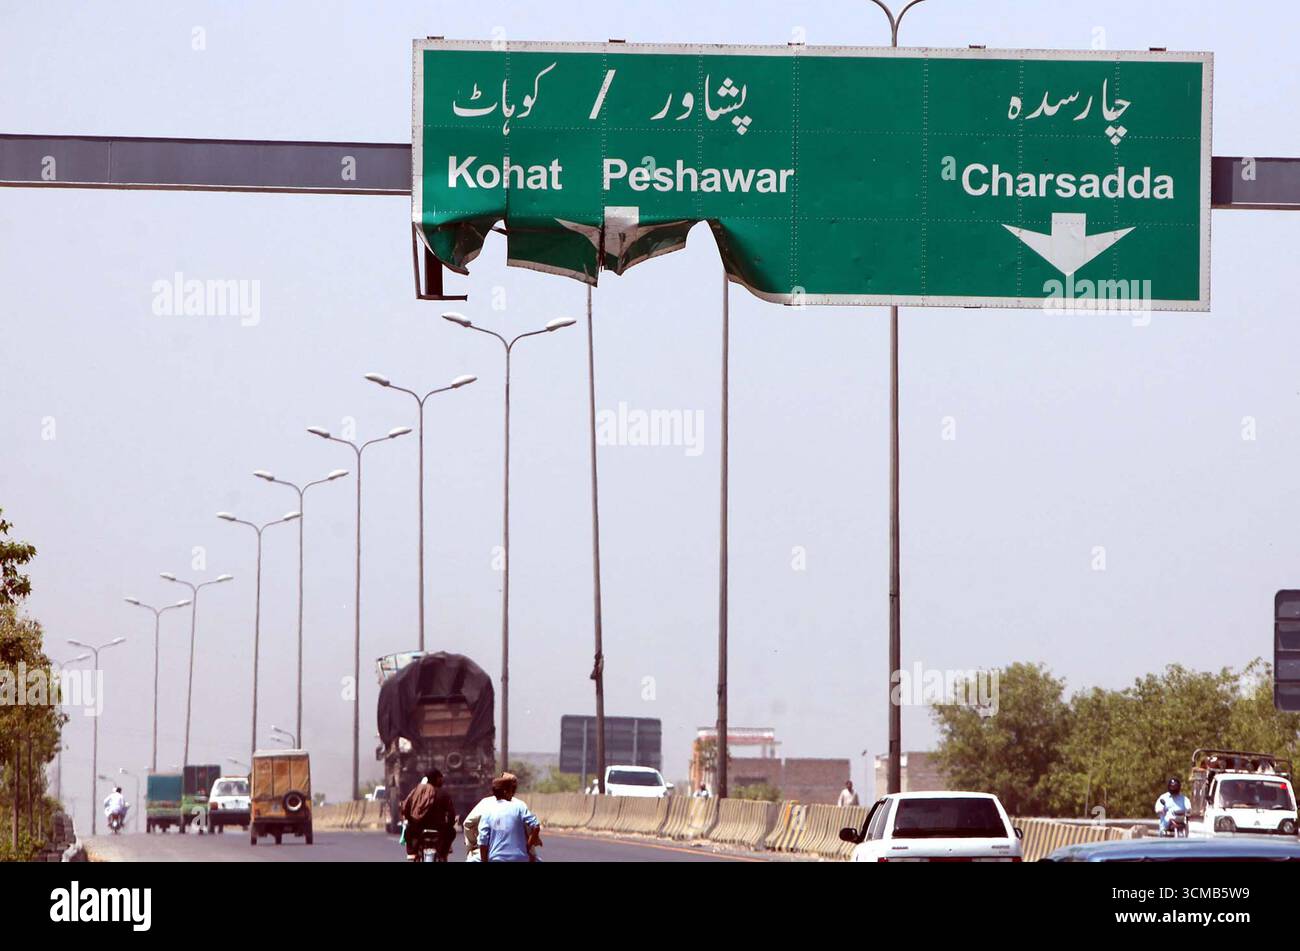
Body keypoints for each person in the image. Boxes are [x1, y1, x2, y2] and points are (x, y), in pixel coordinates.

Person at [463, 773, 540, 862]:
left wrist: (472, 847)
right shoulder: (520, 805)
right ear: (506, 790)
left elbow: (468, 825)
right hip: (520, 856)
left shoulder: (487, 806)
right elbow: (533, 828)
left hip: (494, 856)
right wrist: (528, 847)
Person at [400, 770, 455, 861]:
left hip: (418, 828)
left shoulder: (416, 791)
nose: (442, 781)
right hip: (439, 828)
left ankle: (412, 854)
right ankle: (443, 854)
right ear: (437, 779)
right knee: (451, 832)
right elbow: (451, 814)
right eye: (441, 778)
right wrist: (449, 825)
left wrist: (412, 821)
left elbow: (406, 808)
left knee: (408, 832)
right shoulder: (444, 794)